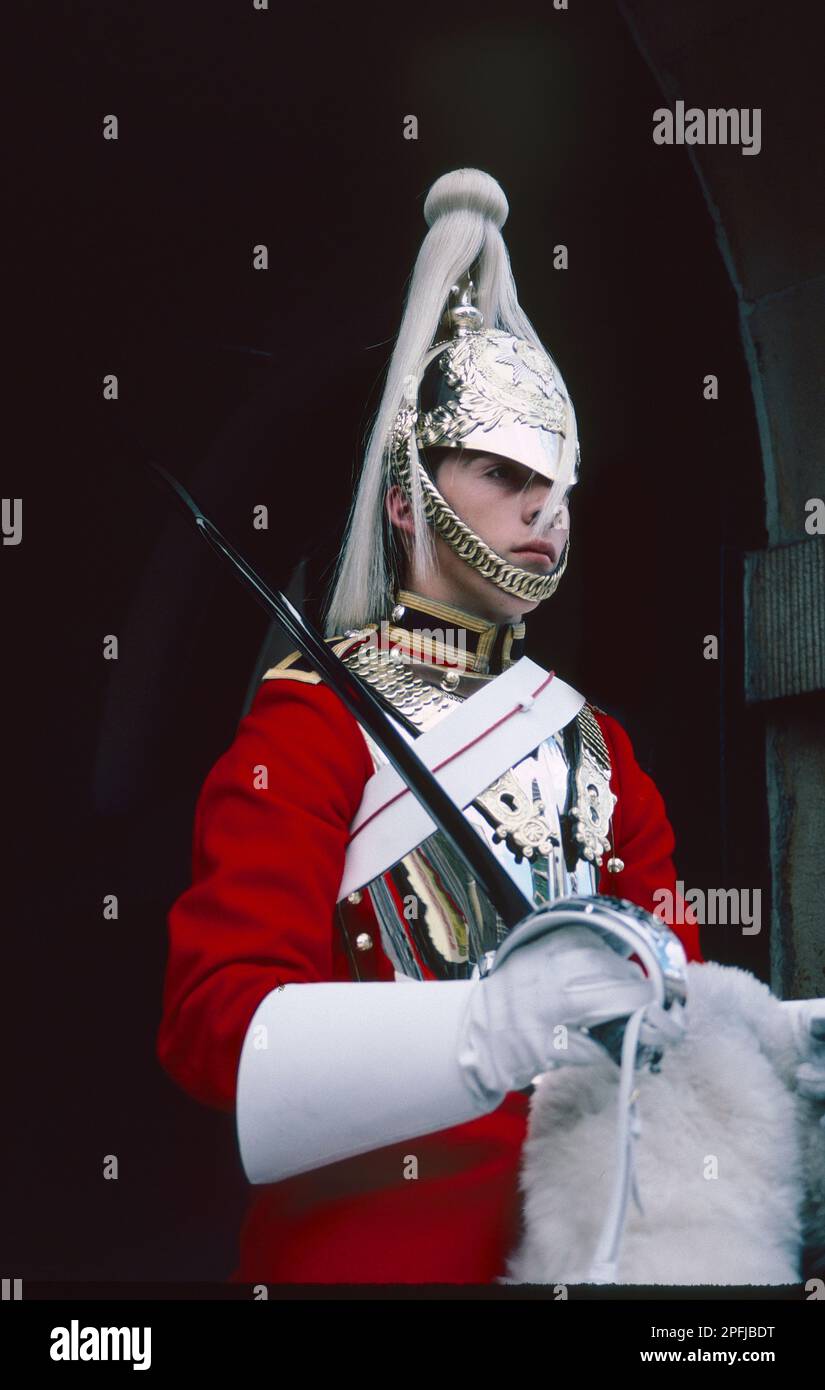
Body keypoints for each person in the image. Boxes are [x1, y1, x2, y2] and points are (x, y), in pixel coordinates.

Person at [156, 168, 704, 1285]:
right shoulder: (308, 727)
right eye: (505, 473)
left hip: (595, 1233)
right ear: (408, 495)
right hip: (381, 1249)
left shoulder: (598, 743)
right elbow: (218, 1025)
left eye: (560, 485)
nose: (545, 512)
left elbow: (673, 978)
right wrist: (487, 1031)